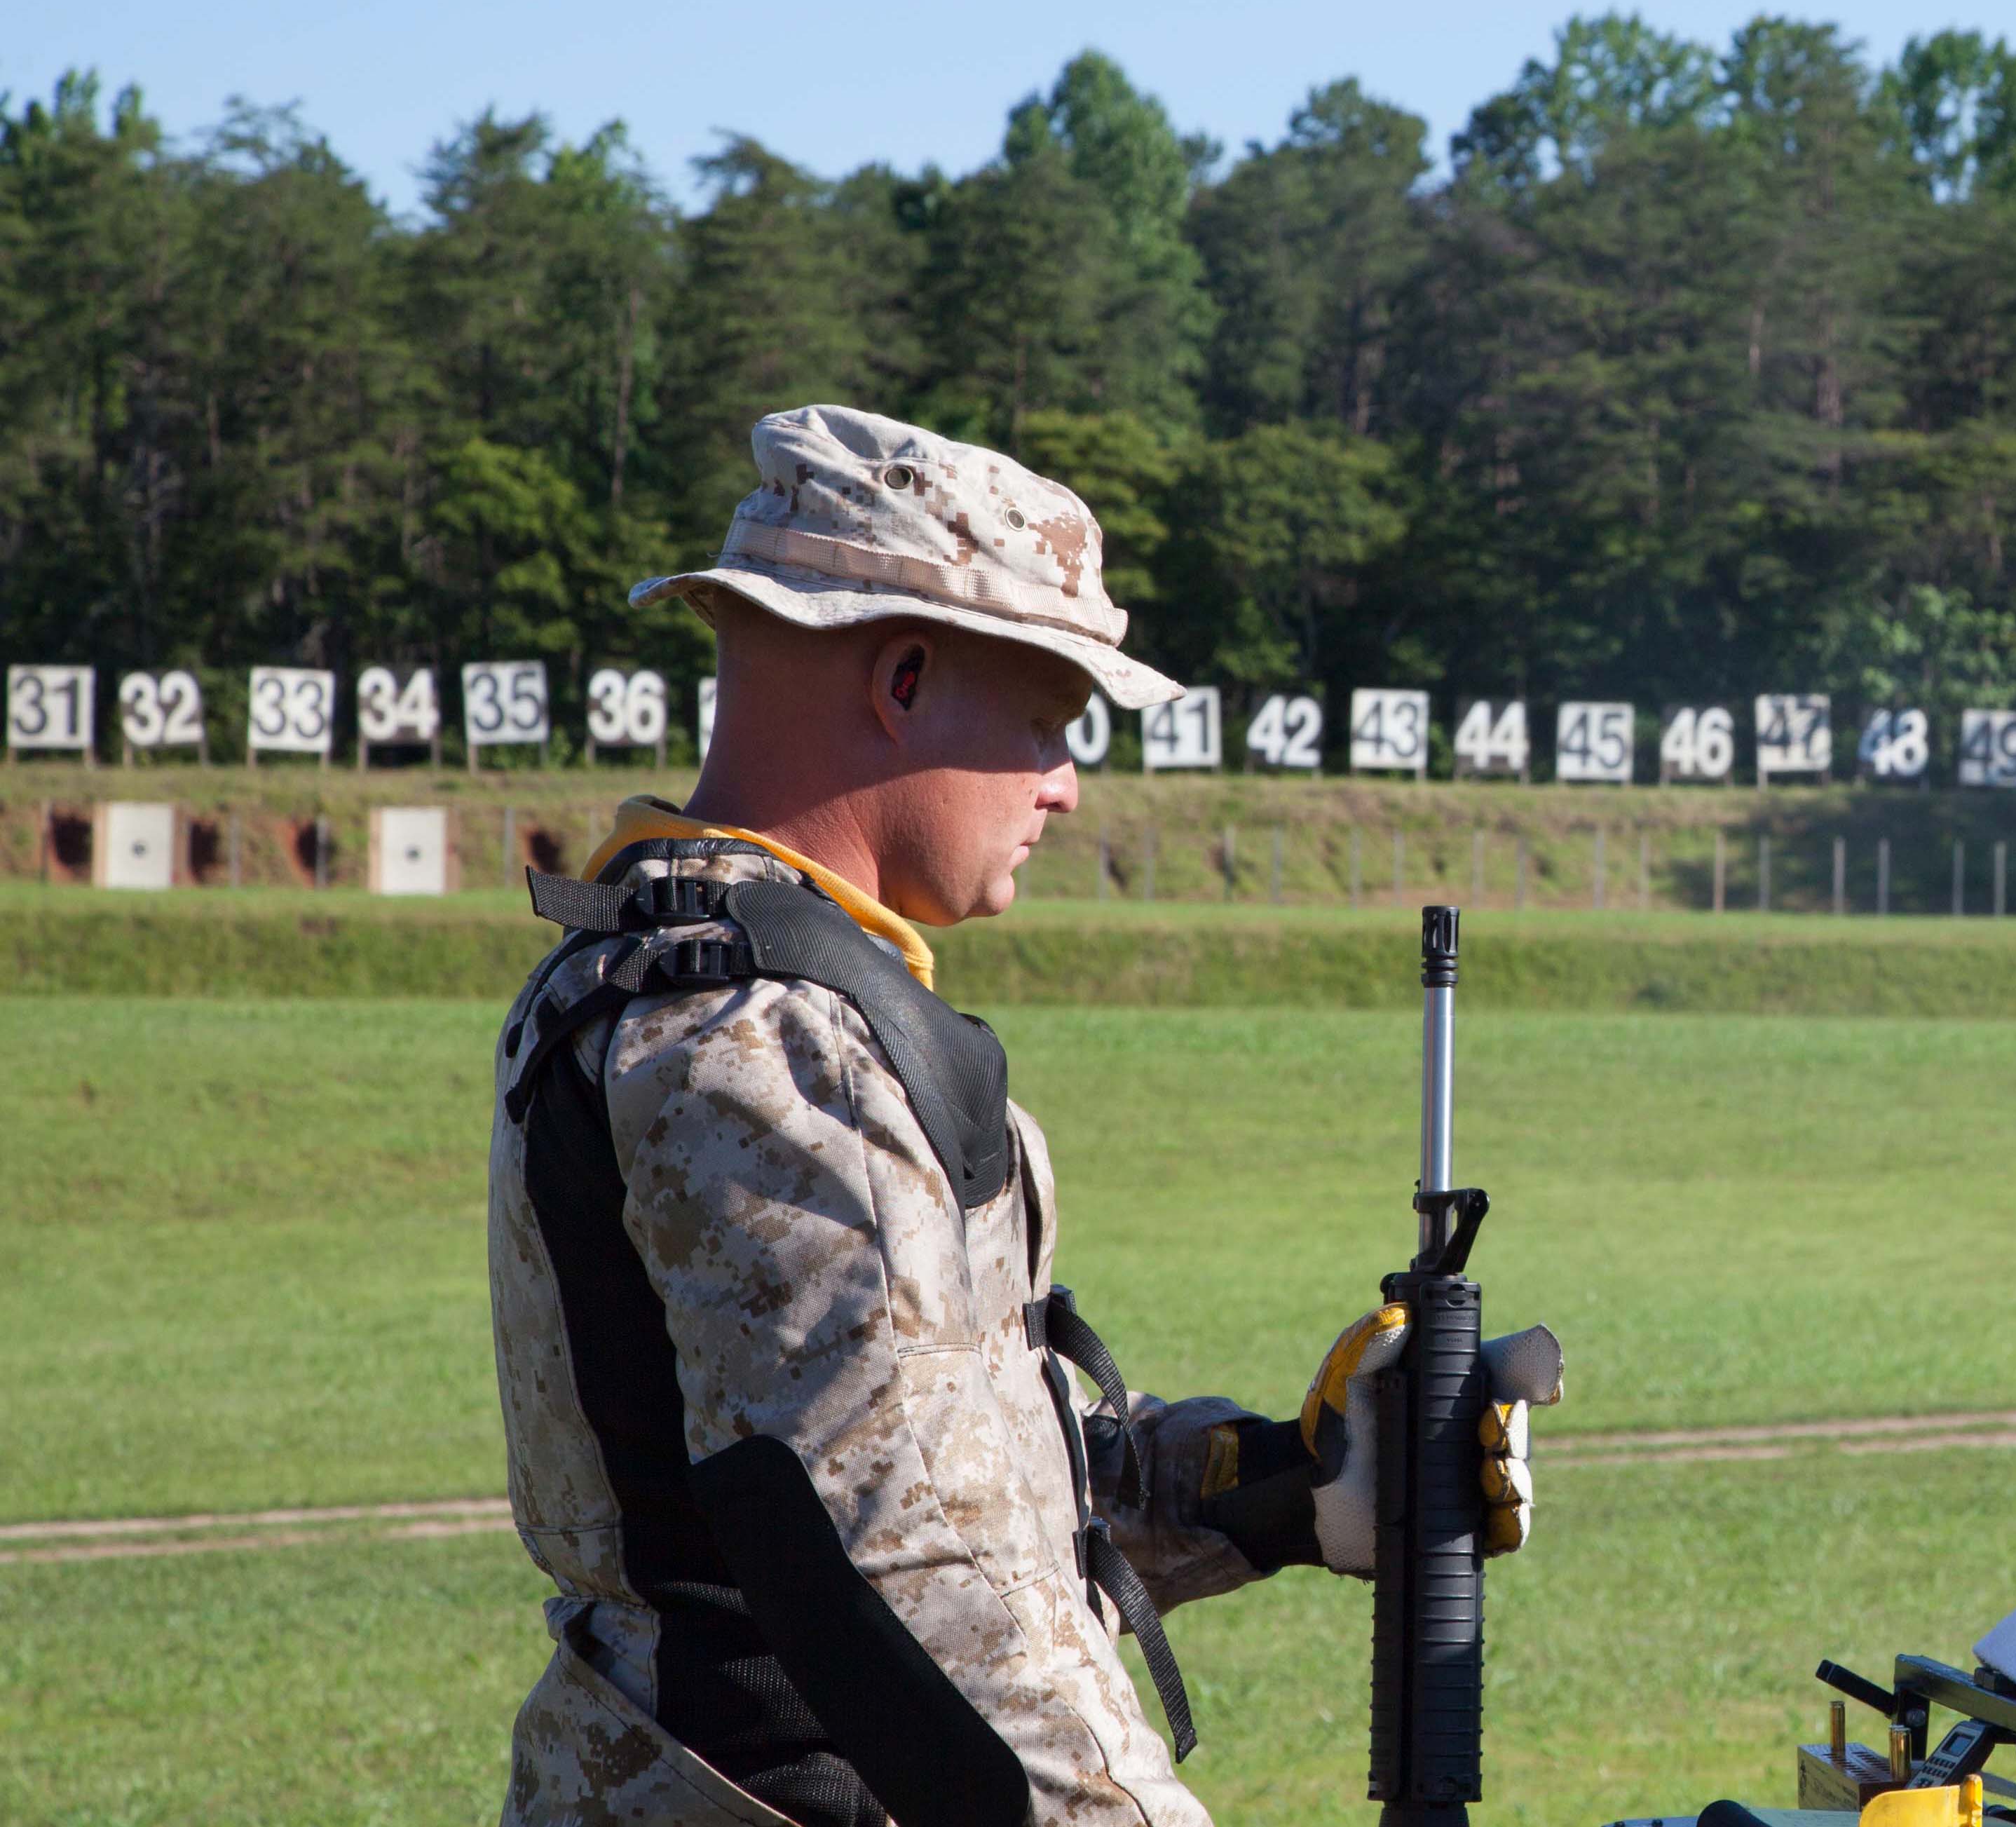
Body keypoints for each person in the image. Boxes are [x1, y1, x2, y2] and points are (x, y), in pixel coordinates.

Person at [486, 405, 1558, 1826]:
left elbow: (921, 1475)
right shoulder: (760, 1044)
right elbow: (916, 1587)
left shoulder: (721, 982)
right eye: (1051, 716)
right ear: (905, 674)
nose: (1064, 782)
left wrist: (1279, 1489)